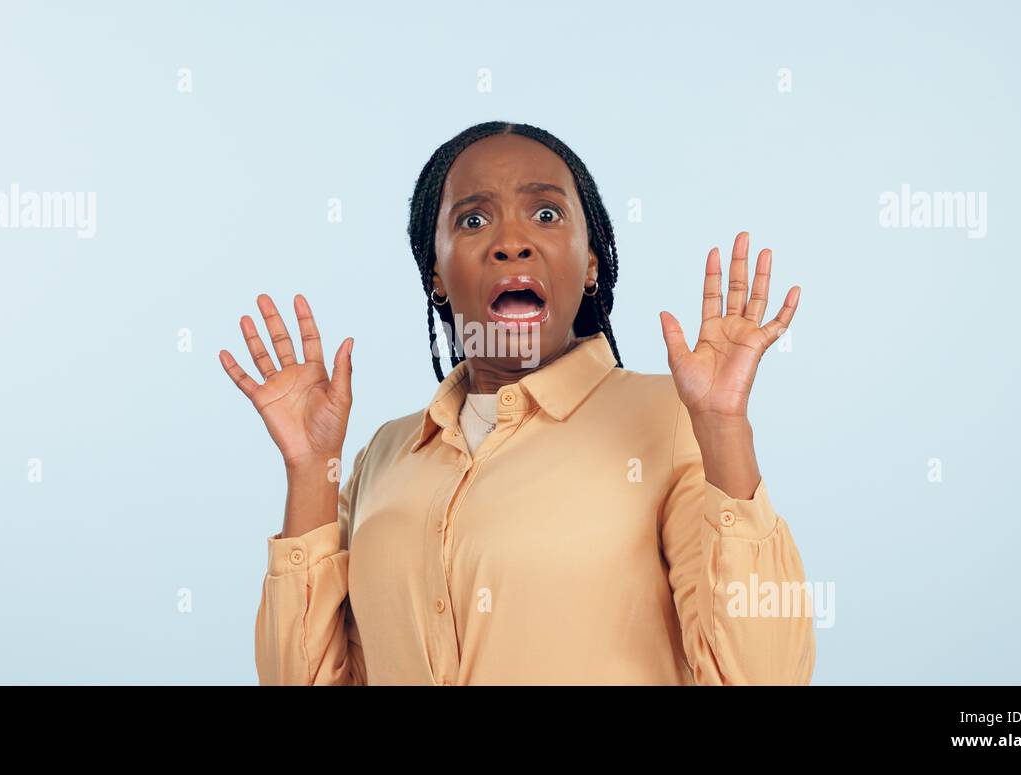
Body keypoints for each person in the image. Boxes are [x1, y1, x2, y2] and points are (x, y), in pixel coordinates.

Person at [219, 121, 815, 685]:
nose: (511, 243)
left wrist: (722, 427)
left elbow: (759, 675)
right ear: (438, 274)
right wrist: (309, 468)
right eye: (474, 220)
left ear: (589, 263)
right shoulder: (384, 455)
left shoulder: (669, 422)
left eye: (546, 213)